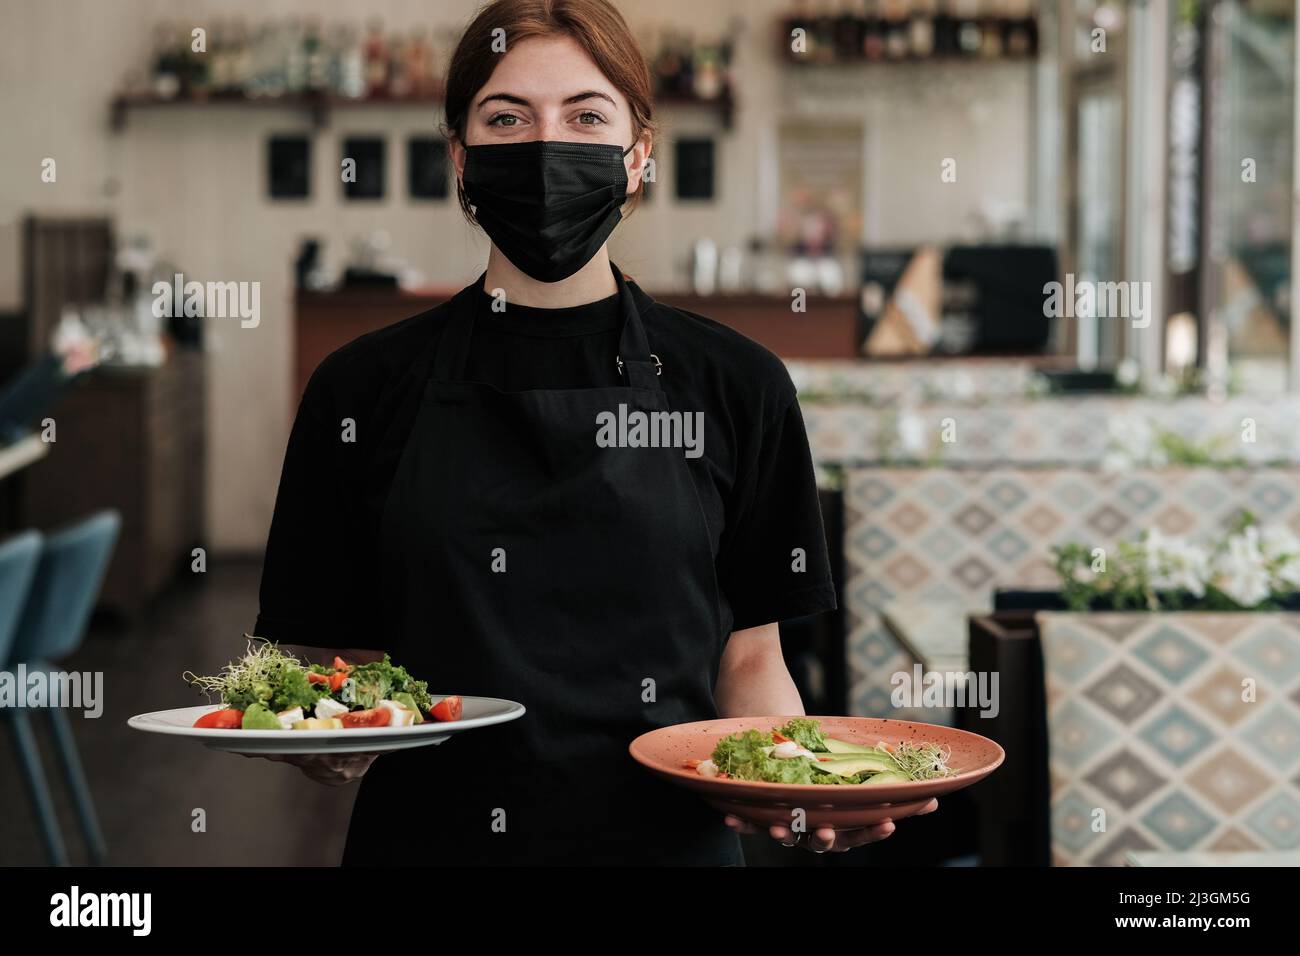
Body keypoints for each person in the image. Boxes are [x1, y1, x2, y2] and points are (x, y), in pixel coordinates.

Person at [254, 0, 934, 865]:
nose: (547, 146)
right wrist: (331, 738)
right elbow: (339, 660)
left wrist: (795, 784)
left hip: (670, 847)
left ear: (637, 156)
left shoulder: (739, 385)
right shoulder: (359, 389)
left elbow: (751, 659)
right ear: (461, 159)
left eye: (585, 116)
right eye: (507, 119)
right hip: (432, 842)